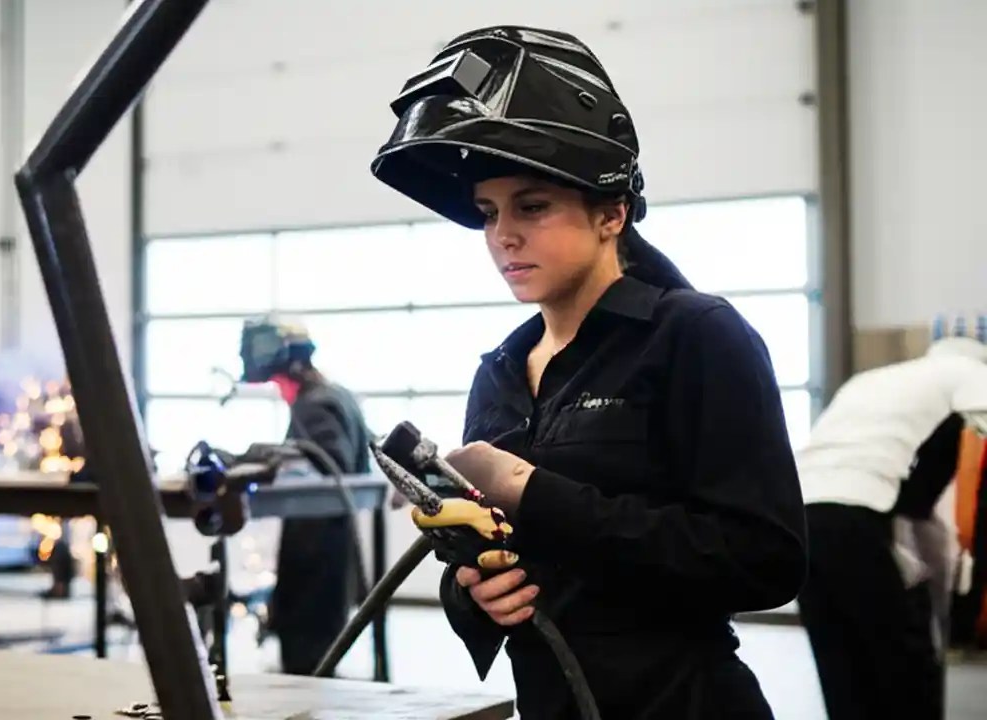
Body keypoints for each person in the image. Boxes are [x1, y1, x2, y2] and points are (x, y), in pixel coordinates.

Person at [369, 26, 808, 718]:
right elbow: (491, 552)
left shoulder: (694, 336)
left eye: (532, 206)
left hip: (683, 703)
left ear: (612, 211)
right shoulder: (499, 373)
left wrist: (529, 489)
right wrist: (473, 594)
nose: (503, 235)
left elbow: (764, 558)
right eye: (488, 213)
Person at [794, 334, 987, 719]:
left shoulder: (872, 381)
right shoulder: (966, 371)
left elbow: (918, 516)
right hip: (855, 515)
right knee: (903, 664)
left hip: (798, 516)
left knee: (840, 663)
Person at [236, 316, 373, 676]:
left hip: (316, 549)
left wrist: (257, 459)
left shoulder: (315, 403)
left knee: (307, 664)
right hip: (329, 544)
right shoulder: (334, 392)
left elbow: (330, 463)